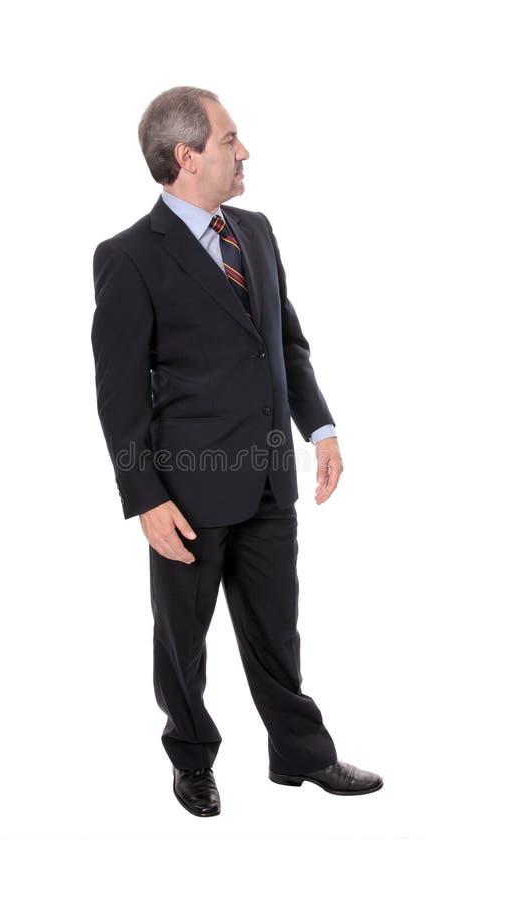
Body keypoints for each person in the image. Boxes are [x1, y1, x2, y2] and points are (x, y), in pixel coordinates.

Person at [90, 86, 383, 817]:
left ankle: (300, 756)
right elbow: (119, 397)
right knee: (182, 644)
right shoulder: (129, 258)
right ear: (187, 157)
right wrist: (144, 498)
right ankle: (191, 759)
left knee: (277, 631)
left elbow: (283, 342)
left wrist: (318, 427)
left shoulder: (253, 231)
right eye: (229, 140)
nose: (243, 151)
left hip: (266, 485)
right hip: (185, 495)